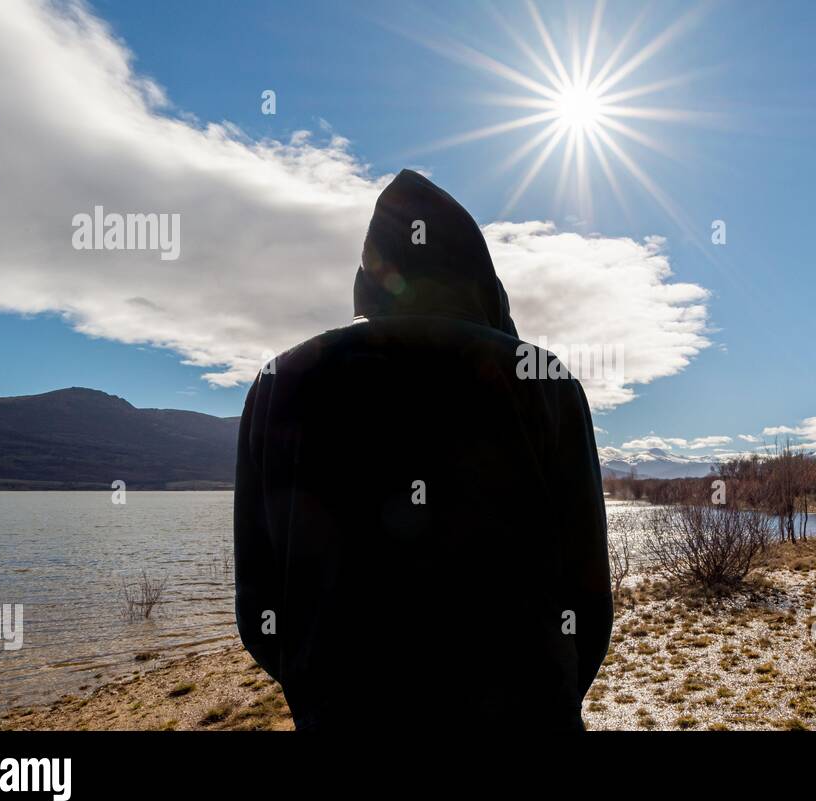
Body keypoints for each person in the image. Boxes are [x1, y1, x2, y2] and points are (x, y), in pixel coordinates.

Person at [233, 169, 611, 731]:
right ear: (480, 276)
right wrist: (547, 693)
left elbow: (260, 602)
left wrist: (321, 695)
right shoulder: (542, 383)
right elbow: (587, 599)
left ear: (370, 275)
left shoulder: (282, 383)